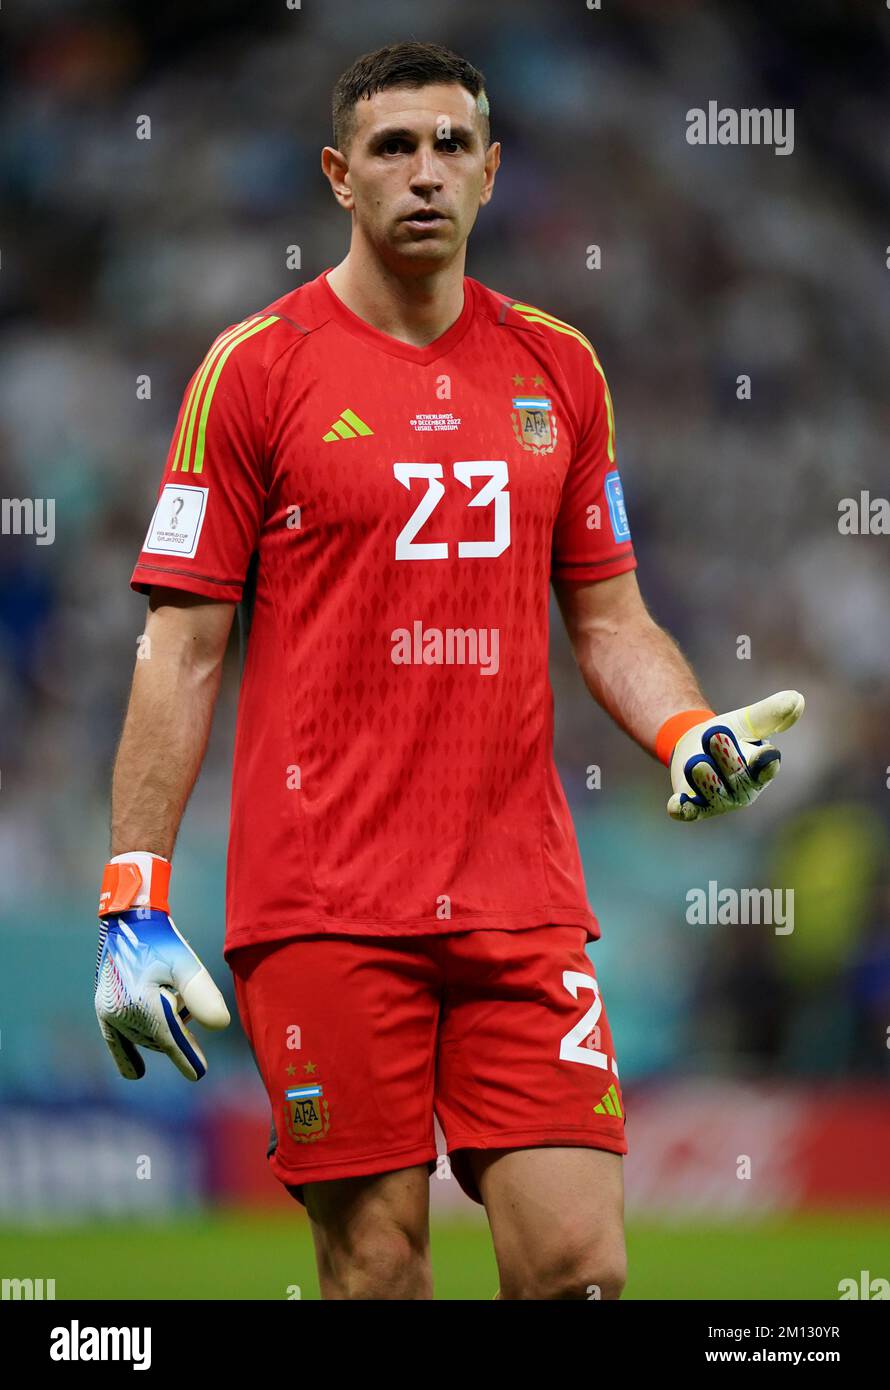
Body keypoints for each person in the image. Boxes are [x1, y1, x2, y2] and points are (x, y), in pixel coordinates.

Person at [94, 40, 804, 1300]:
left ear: (489, 171)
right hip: (323, 898)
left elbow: (610, 620)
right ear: (337, 176)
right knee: (377, 1269)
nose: (424, 172)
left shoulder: (559, 369)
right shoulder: (252, 370)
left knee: (579, 1263)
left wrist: (684, 727)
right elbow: (181, 646)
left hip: (517, 895)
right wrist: (134, 890)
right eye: (391, 147)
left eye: (449, 146)